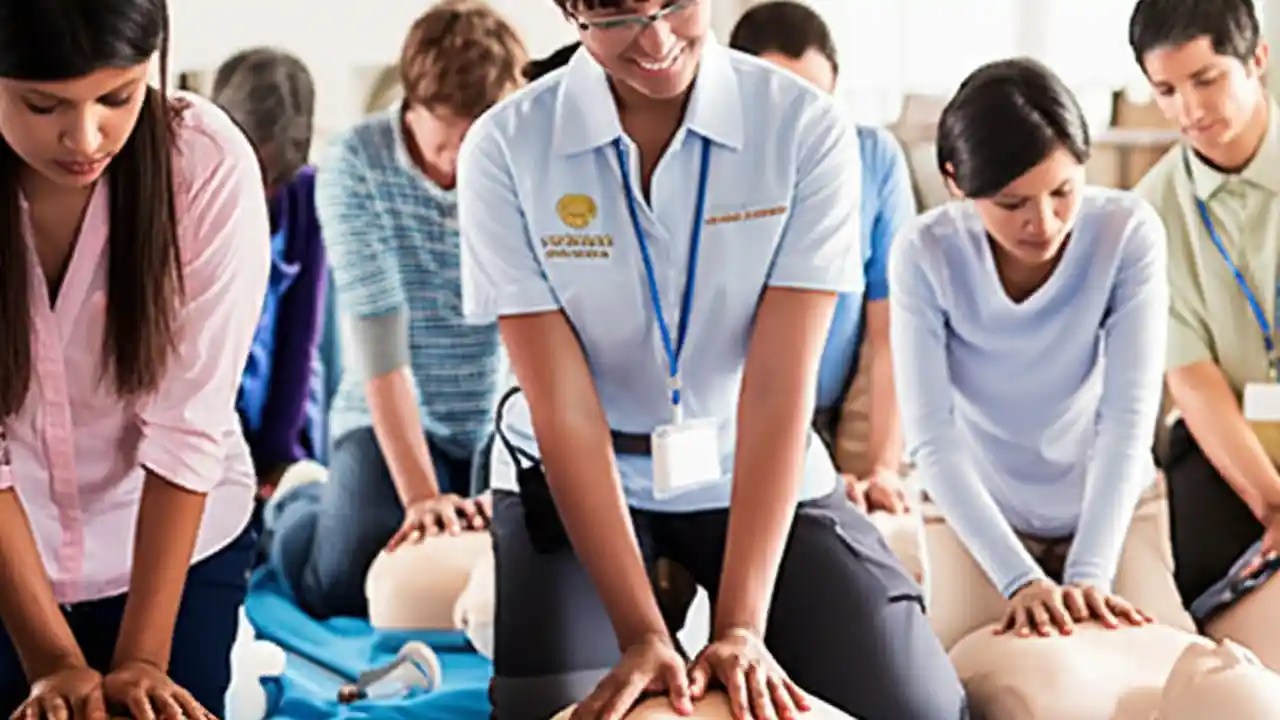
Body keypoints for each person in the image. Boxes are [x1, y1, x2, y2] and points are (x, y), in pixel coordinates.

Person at [459, 2, 966, 719]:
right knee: (567, 710)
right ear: (571, 10)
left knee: (919, 707)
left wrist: (739, 630)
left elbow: (779, 389)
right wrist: (640, 633)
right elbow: (563, 407)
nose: (658, 39)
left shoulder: (802, 128)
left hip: (750, 457)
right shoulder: (507, 147)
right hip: (575, 470)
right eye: (619, 17)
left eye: (675, 5)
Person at [0, 0, 269, 717]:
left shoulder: (203, 162)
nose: (85, 137)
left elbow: (188, 425)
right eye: (42, 104)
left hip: (175, 547)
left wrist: (144, 660)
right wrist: (51, 660)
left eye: (117, 98)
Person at [890, 57, 1195, 650]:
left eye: (1063, 191)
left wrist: (1088, 574)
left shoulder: (1127, 233)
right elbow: (932, 438)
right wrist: (1019, 578)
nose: (1044, 222)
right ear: (956, 181)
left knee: (1161, 662)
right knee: (962, 672)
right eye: (1011, 203)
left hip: (1110, 503)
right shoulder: (925, 254)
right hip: (979, 512)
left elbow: (1127, 419)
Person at [263, 0, 526, 620]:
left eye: (480, 140)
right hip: (389, 414)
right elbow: (382, 349)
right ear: (413, 105)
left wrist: (509, 467)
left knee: (512, 569)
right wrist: (422, 500)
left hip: (493, 415)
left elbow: (533, 321)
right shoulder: (356, 164)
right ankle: (300, 501)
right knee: (345, 583)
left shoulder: (519, 159)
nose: (466, 160)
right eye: (449, 138)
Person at [728, 0, 915, 514]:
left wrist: (881, 468)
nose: (803, 126)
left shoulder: (871, 158)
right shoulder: (706, 168)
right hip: (732, 420)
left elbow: (888, 334)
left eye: (817, 103)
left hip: (837, 411)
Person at [1128, 0, 1280, 623]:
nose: (1188, 111)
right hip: (1226, 439)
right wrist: (1274, 504)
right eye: (1166, 89)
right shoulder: (1150, 213)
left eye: (1206, 79)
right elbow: (1190, 377)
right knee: (1221, 591)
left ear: (1258, 60)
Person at [211, 47, 328, 494]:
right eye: (252, 171)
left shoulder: (304, 195)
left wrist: (277, 456)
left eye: (272, 179)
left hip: (278, 410)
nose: (260, 191)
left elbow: (301, 335)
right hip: (210, 415)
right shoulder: (193, 192)